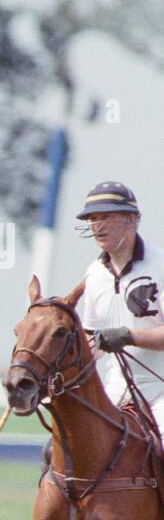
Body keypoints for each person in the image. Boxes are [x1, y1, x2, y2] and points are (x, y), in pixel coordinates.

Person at [79, 182, 164, 426]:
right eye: (93, 218)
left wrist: (128, 336)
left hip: (161, 390)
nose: (98, 225)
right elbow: (91, 340)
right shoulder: (94, 273)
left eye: (106, 216)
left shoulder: (160, 266)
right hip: (116, 388)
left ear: (132, 219)